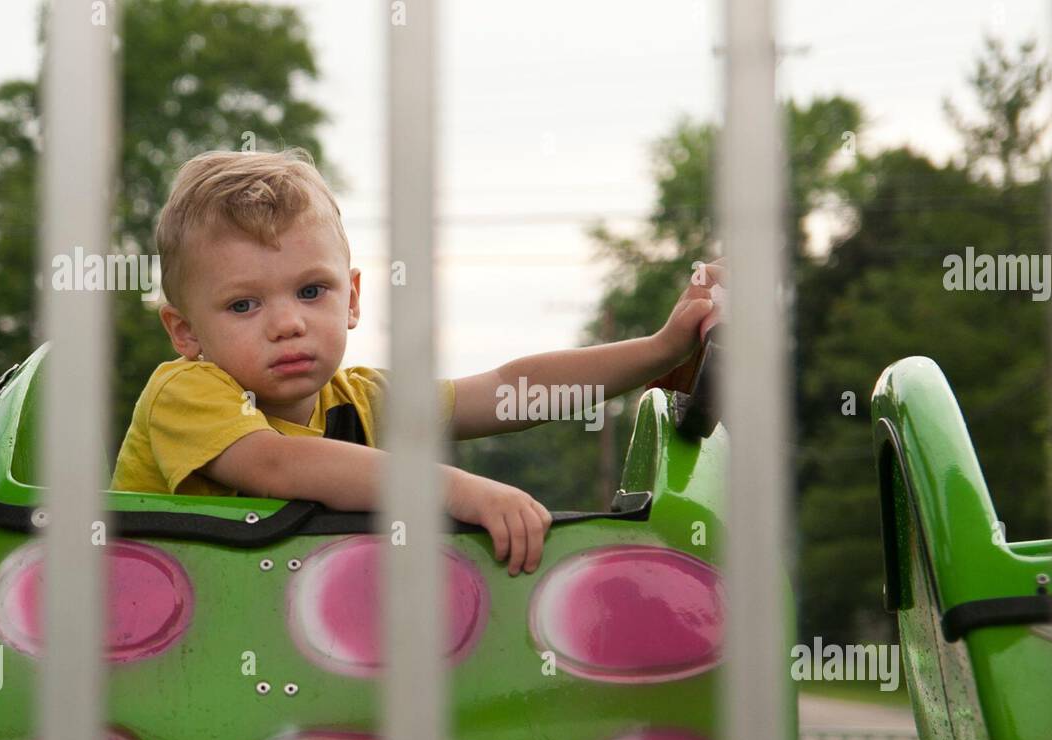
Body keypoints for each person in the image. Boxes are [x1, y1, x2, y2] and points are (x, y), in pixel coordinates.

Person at [111, 148, 721, 575]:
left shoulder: (362, 398)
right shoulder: (185, 391)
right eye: (243, 304)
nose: (288, 322)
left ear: (352, 297)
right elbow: (274, 462)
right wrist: (456, 490)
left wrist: (661, 349)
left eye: (310, 291)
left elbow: (508, 390)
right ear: (185, 331)